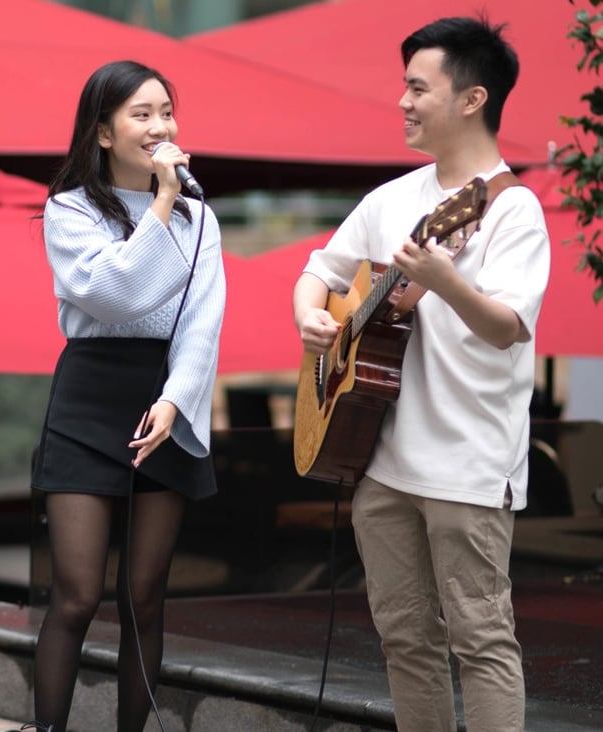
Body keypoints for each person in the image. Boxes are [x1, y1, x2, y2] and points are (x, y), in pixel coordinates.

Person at [292, 17, 548, 732]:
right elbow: (320, 273)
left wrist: (443, 279)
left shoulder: (511, 211)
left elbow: (506, 327)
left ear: (472, 99)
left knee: (482, 641)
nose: (401, 101)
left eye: (417, 87)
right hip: (381, 458)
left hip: (468, 464)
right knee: (405, 639)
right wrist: (312, 320)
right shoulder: (389, 199)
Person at [12, 60, 226, 732]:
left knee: (144, 598)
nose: (160, 126)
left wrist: (177, 399)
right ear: (103, 131)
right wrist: (163, 201)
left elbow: (202, 323)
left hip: (164, 396)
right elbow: (115, 293)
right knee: (75, 595)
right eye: (142, 114)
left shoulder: (201, 219)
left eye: (167, 111)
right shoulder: (69, 210)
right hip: (89, 394)